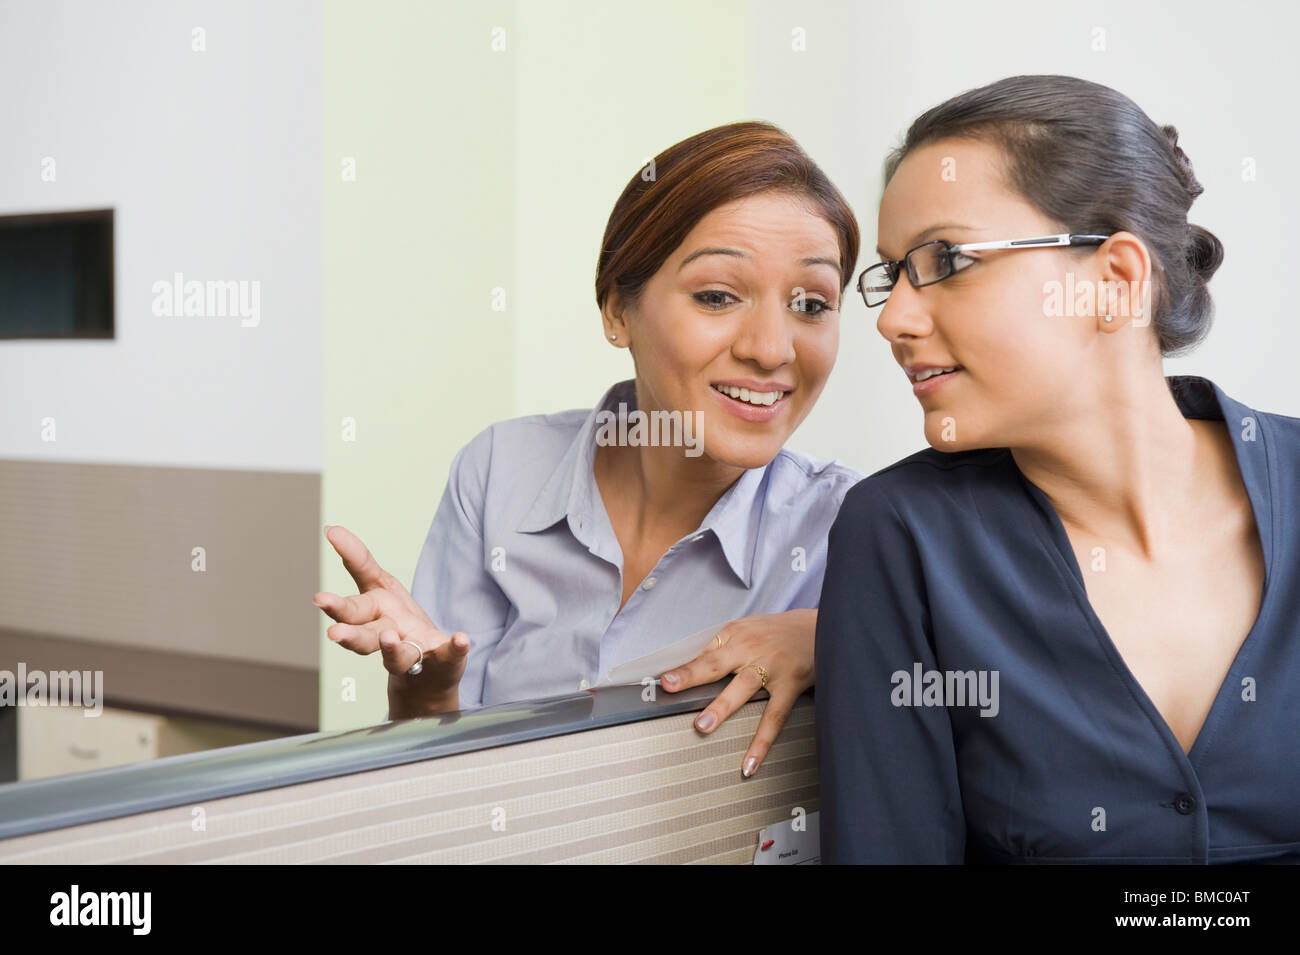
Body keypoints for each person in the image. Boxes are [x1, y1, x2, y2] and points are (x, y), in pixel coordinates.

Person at [815, 75, 1300, 863]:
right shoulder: (900, 535)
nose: (894, 319)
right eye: (893, 272)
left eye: (944, 260)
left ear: (1114, 281)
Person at [317, 121, 864, 777]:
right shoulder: (500, 472)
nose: (772, 348)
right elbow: (437, 791)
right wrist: (427, 694)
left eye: (811, 303)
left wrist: (836, 640)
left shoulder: (855, 530)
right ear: (616, 309)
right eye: (718, 295)